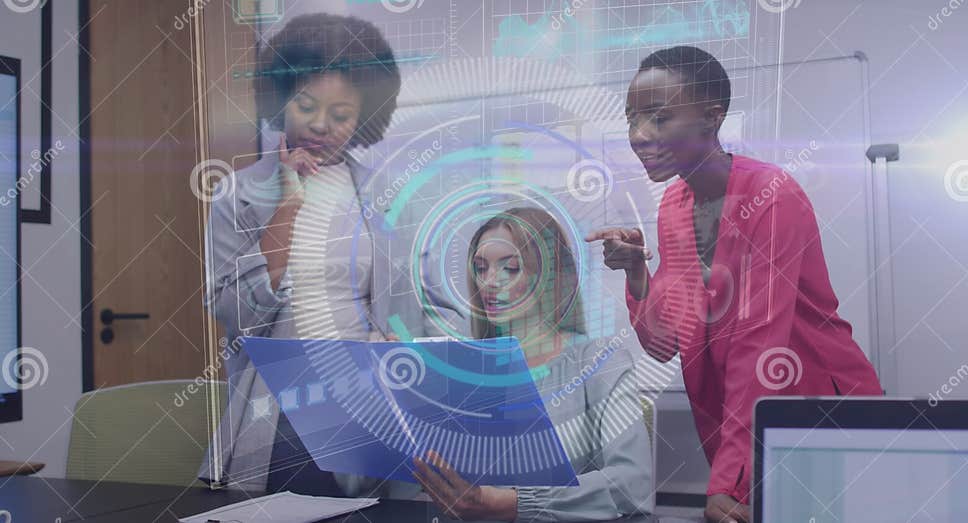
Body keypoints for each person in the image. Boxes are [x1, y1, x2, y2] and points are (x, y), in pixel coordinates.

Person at [586, 46, 883, 523]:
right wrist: (637, 275)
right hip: (743, 428)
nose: (639, 137)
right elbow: (665, 343)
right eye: (632, 119)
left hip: (818, 413)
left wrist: (730, 479)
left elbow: (759, 345)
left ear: (711, 118)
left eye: (660, 118)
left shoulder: (772, 196)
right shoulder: (674, 206)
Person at [199, 13, 458, 497]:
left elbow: (436, 311)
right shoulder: (239, 195)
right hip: (278, 417)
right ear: (281, 100)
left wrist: (400, 342)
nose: (320, 125)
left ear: (363, 118)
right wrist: (288, 207)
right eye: (306, 105)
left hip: (375, 408)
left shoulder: (387, 198)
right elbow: (236, 317)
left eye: (340, 115)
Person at [413, 207, 654, 522]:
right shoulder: (465, 370)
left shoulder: (600, 361)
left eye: (510, 268)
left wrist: (511, 503)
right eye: (480, 268)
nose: (489, 281)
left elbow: (633, 485)